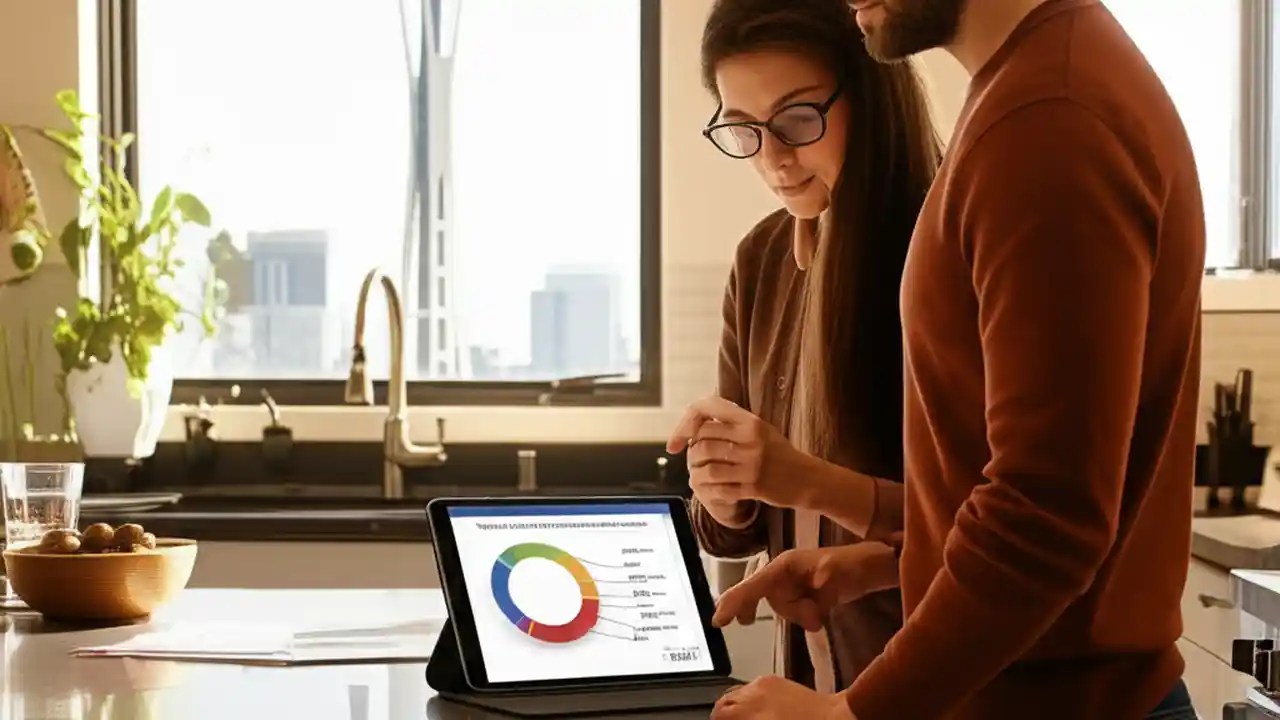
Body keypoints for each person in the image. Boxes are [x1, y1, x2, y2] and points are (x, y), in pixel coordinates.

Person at [708, 0, 1205, 718]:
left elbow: (1044, 516)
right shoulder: (1030, 91)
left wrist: (853, 713)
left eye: (795, 119)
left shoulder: (1048, 120)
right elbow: (1021, 489)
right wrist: (893, 566)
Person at [664, 0, 940, 695]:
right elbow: (732, 533)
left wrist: (799, 478)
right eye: (744, 129)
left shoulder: (942, 246)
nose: (774, 159)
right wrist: (724, 491)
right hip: (816, 684)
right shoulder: (762, 258)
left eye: (795, 120)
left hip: (933, 685)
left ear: (872, 92)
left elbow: (995, 526)